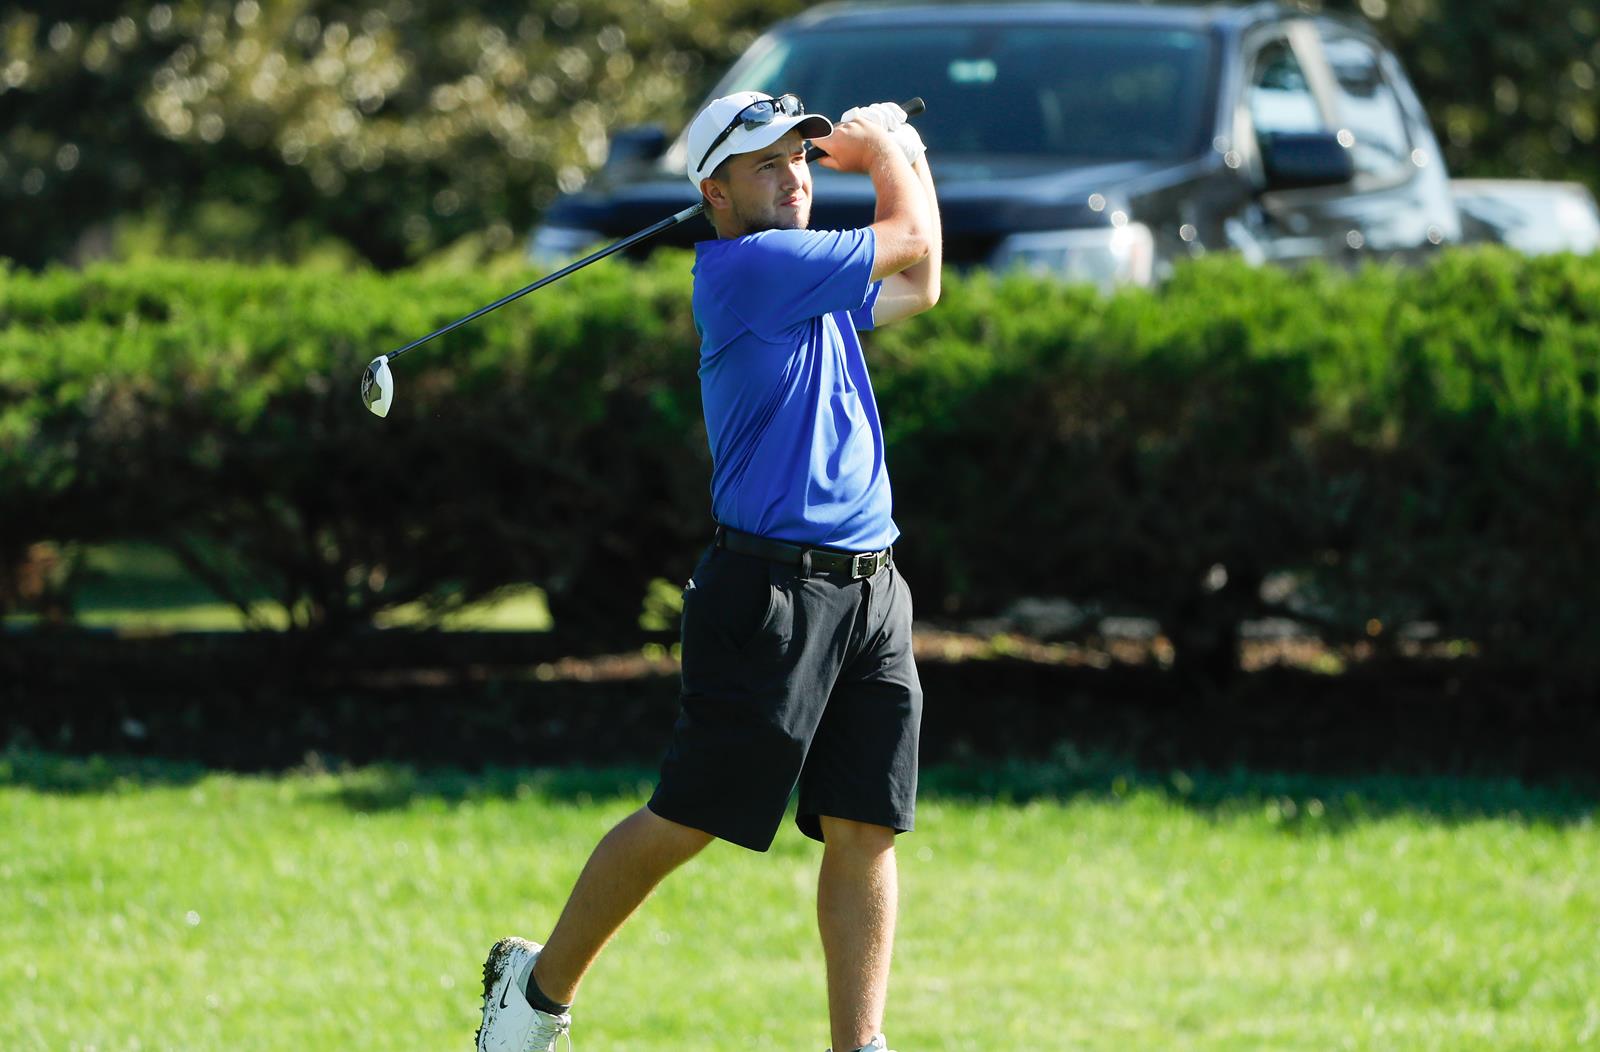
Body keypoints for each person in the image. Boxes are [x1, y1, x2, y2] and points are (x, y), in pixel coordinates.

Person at [474, 90, 941, 1052]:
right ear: (714, 193)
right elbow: (903, 233)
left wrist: (903, 156)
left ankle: (858, 1046)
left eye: (802, 158)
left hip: (870, 586)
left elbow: (923, 281)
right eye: (767, 163)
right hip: (769, 594)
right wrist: (886, 148)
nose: (796, 176)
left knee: (865, 828)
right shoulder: (750, 269)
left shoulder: (802, 273)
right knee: (688, 817)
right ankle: (533, 993)